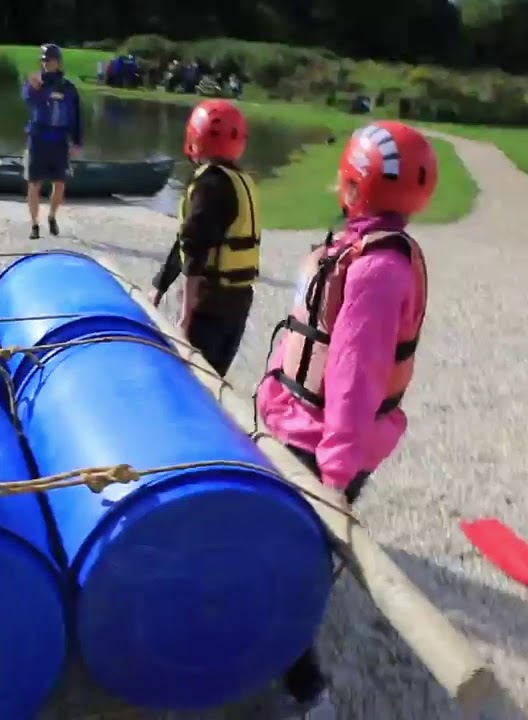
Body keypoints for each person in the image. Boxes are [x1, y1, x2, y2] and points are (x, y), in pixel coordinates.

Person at [255, 120, 437, 718]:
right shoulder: (363, 248)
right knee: (273, 548)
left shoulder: (377, 272)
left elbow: (355, 381)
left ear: (356, 185)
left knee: (285, 566)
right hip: (290, 425)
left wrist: (333, 476)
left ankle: (308, 690)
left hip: (318, 448)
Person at [149, 99, 259, 378]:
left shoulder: (210, 185)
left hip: (209, 305)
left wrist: (185, 319)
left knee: (189, 379)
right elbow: (188, 242)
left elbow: (195, 252)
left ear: (195, 137)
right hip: (238, 303)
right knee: (211, 381)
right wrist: (159, 286)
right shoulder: (239, 180)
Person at [22, 43, 83, 239]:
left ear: (57, 62)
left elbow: (77, 116)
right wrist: (34, 89)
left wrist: (77, 141)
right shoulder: (36, 84)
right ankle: (34, 224)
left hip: (59, 141)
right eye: (43, 61)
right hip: (38, 140)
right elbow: (27, 99)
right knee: (34, 183)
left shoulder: (69, 88)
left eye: (49, 60)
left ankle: (52, 216)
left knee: (60, 184)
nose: (45, 64)